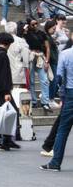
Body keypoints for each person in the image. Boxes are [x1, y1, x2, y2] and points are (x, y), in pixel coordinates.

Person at [40, 40, 73, 171]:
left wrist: (59, 95)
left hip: (71, 93)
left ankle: (55, 162)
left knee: (63, 130)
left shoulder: (65, 54)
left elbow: (59, 77)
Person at [0, 31, 21, 152]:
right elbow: (4, 75)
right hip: (2, 89)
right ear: (8, 44)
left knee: (4, 113)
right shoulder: (2, 55)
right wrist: (7, 91)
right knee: (4, 114)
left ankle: (6, 140)